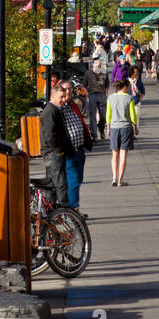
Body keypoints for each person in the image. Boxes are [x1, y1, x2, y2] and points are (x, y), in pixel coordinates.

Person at [59, 79, 92, 217]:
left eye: (70, 90)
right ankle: (73, 211)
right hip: (69, 152)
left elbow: (81, 122)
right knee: (73, 182)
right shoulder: (59, 108)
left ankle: (72, 209)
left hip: (79, 149)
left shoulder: (72, 105)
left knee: (77, 180)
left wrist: (85, 144)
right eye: (65, 90)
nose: (68, 92)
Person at [40, 83, 73, 204]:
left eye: (64, 97)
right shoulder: (50, 111)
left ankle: (51, 213)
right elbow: (49, 136)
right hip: (54, 153)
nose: (64, 100)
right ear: (53, 97)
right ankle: (66, 213)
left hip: (54, 152)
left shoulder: (55, 109)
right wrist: (58, 150)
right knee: (61, 185)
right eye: (61, 97)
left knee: (52, 185)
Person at [106, 77, 139, 186]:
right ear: (125, 87)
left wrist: (108, 128)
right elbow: (133, 115)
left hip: (114, 127)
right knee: (123, 155)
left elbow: (108, 115)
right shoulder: (129, 98)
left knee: (114, 154)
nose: (129, 89)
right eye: (128, 87)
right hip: (126, 127)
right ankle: (120, 180)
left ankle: (114, 177)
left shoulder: (110, 98)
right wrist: (135, 126)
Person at [84, 58, 109, 139]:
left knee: (103, 116)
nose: (98, 64)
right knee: (92, 116)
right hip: (92, 95)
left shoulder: (104, 72)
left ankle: (101, 130)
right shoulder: (88, 73)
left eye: (99, 62)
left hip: (102, 95)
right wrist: (87, 94)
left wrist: (106, 95)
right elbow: (84, 84)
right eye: (96, 62)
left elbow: (107, 85)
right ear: (93, 64)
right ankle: (94, 134)